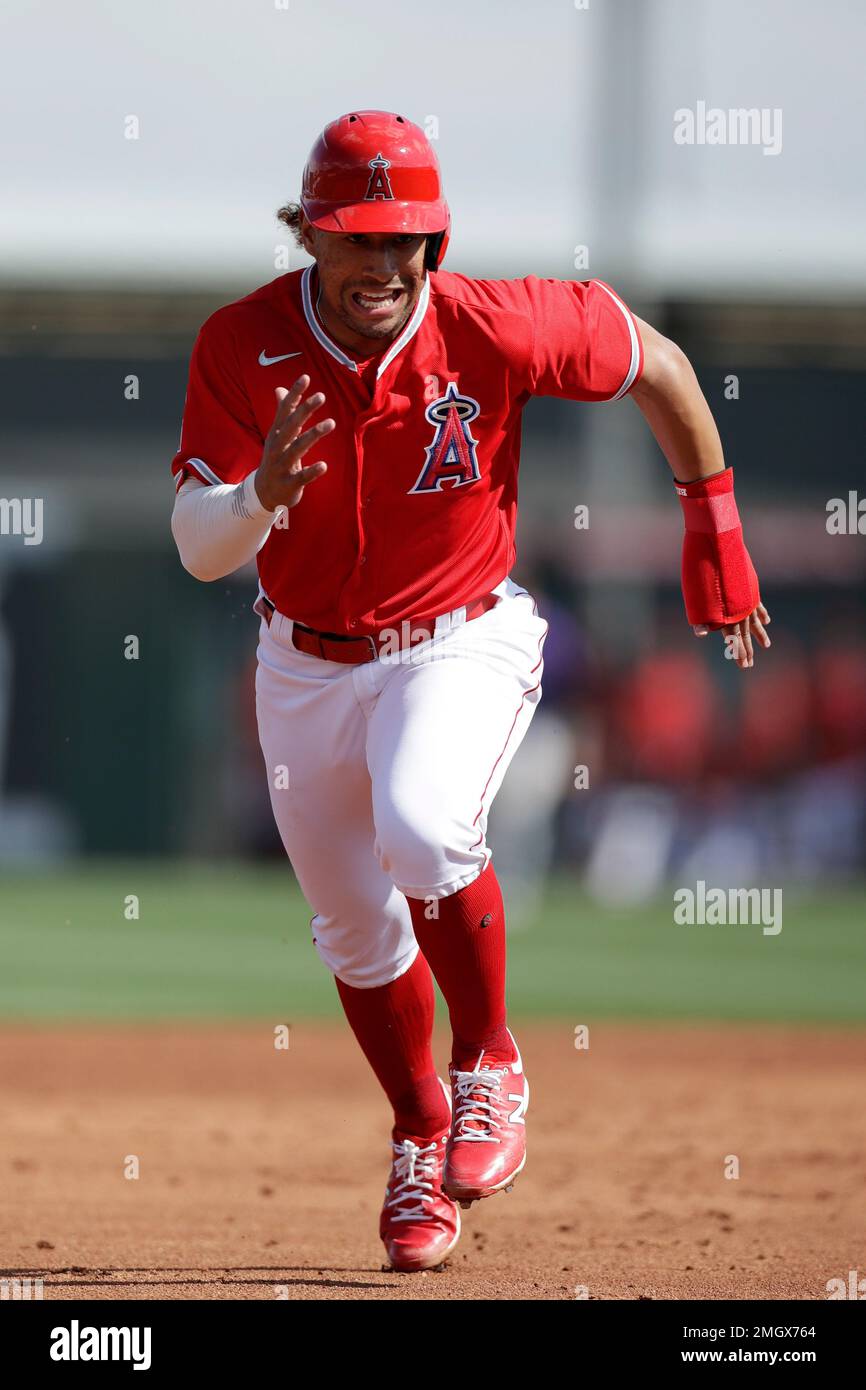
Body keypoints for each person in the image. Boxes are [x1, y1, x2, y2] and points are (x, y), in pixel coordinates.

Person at [170, 110, 770, 1272]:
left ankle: (487, 1057)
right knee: (352, 931)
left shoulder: (493, 323)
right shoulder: (239, 343)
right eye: (355, 238)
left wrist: (714, 520)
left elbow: (660, 363)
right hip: (300, 659)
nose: (382, 265)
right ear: (307, 237)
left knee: (423, 821)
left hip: (460, 637)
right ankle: (416, 1135)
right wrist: (259, 496)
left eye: (405, 240)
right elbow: (199, 545)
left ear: (433, 243)